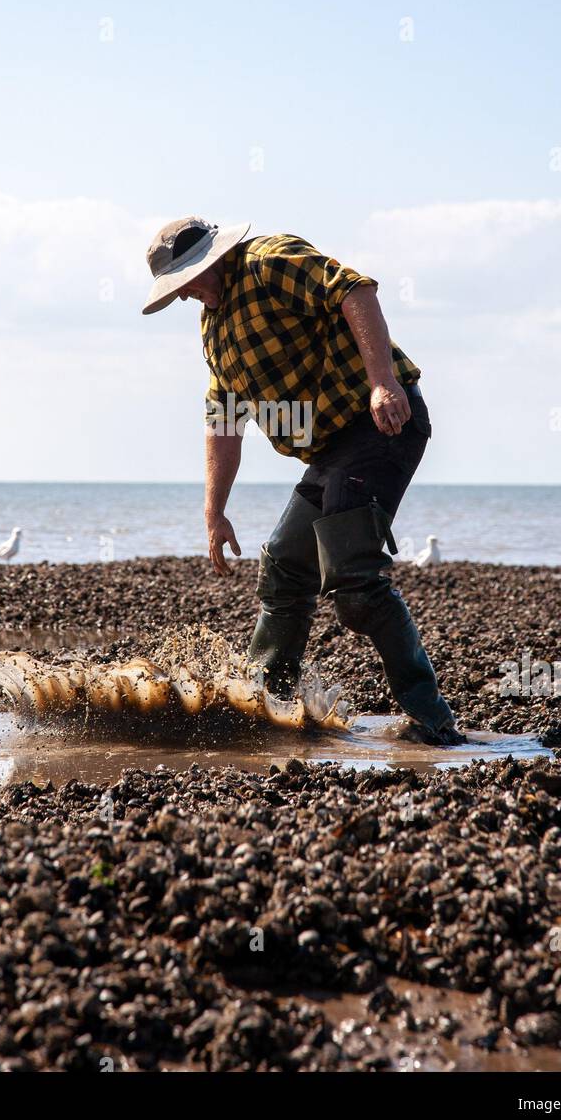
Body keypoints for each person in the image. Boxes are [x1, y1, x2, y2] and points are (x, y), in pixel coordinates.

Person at [142, 216, 464, 745]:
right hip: (332, 452)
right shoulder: (213, 326)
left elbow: (355, 290)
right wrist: (214, 510)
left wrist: (382, 383)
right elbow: (223, 416)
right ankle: (267, 705)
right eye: (180, 289)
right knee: (285, 566)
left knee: (355, 585)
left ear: (217, 255)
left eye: (192, 278)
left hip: (382, 423)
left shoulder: (271, 261)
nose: (190, 295)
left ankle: (433, 721)